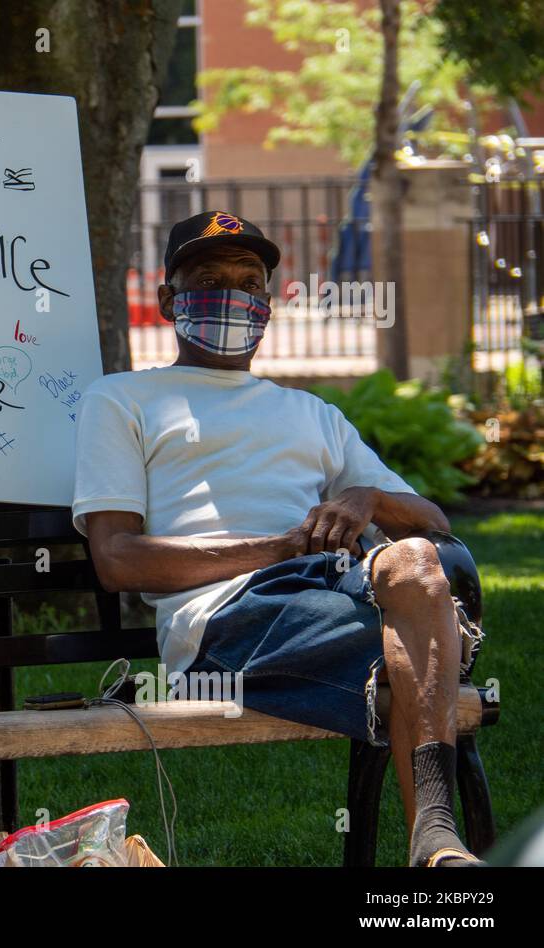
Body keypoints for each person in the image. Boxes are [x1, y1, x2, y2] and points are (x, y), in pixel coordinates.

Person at [73, 211, 483, 867]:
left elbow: (434, 521)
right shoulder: (123, 400)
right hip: (222, 626)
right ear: (169, 299)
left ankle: (434, 841)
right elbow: (117, 560)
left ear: (267, 303)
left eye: (249, 280)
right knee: (423, 643)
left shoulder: (311, 413)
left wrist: (367, 498)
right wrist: (285, 547)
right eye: (209, 279)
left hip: (327, 598)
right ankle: (435, 669)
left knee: (416, 565)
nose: (232, 293)